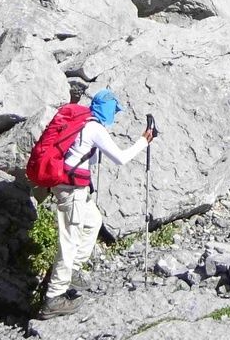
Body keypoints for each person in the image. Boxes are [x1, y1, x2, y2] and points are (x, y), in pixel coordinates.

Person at [38, 89, 156, 319]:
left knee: (93, 221)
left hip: (72, 188)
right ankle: (53, 297)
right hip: (71, 190)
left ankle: (72, 270)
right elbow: (121, 158)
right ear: (108, 110)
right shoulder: (94, 128)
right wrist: (144, 141)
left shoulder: (83, 121)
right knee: (69, 240)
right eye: (114, 111)